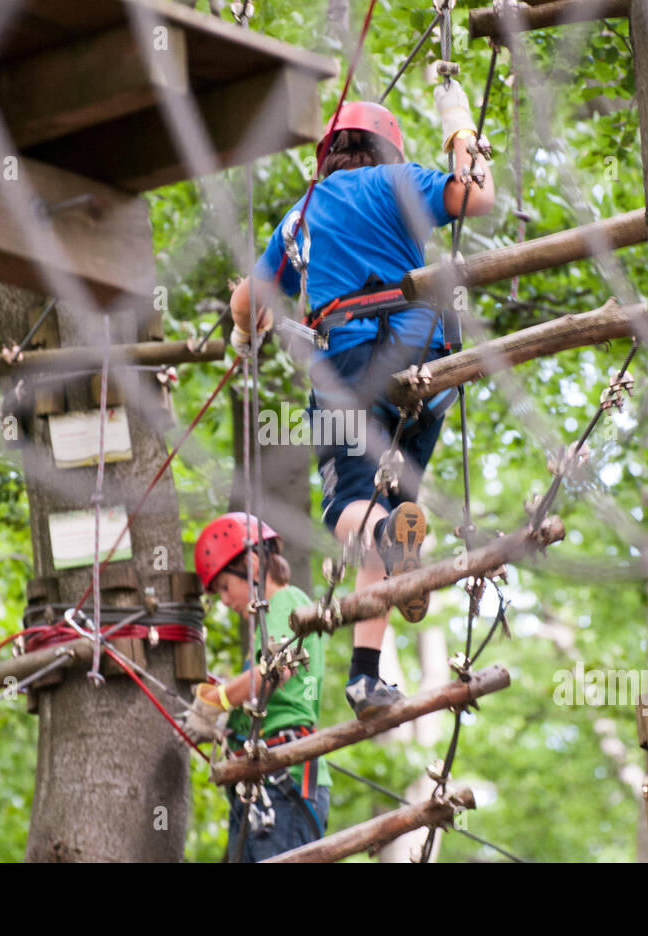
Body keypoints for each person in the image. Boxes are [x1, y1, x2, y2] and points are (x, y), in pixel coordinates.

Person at [226, 81, 495, 719]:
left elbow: (247, 300)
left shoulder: (303, 213)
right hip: (428, 367)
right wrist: (459, 132)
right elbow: (476, 196)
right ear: (387, 150)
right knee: (390, 516)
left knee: (350, 508)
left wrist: (246, 333)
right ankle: (366, 677)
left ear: (329, 154)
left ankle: (386, 535)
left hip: (350, 367)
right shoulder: (401, 184)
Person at [184, 512, 330, 863]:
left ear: (251, 564)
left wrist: (217, 700)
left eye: (224, 586)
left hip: (284, 781)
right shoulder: (269, 622)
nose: (223, 599)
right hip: (264, 783)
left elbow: (277, 670)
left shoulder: (287, 602)